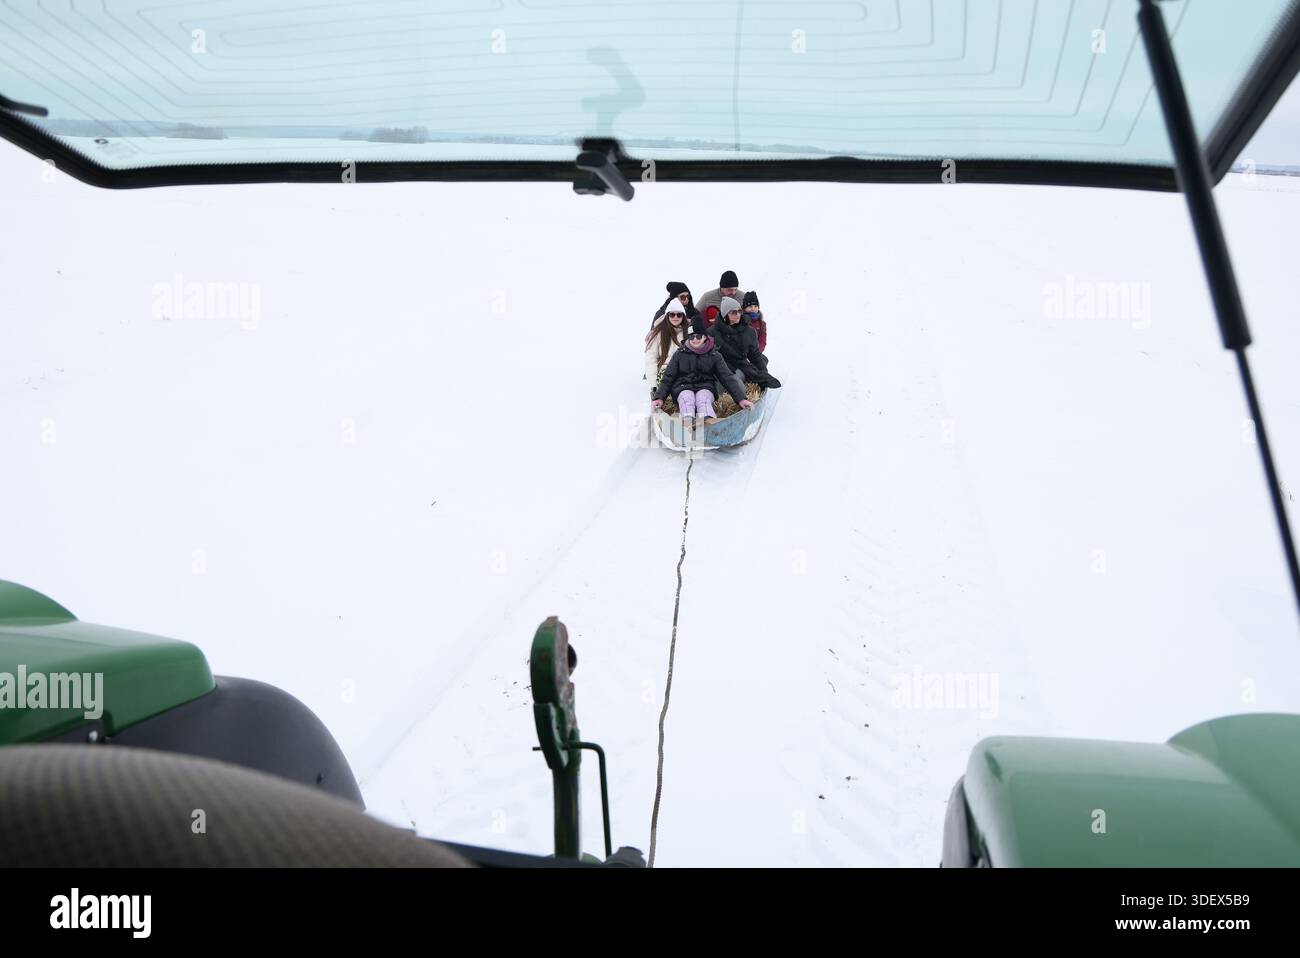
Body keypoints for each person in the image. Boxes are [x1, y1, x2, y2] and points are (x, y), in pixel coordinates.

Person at [652, 318, 753, 426]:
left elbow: (726, 377)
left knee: (703, 398)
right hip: (682, 386)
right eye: (691, 336)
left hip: (705, 387)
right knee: (687, 398)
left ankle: (707, 422)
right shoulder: (680, 354)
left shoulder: (714, 355)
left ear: (705, 336)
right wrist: (659, 397)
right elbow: (668, 377)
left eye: (698, 336)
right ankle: (686, 423)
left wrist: (741, 399)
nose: (695, 339)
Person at [710, 297, 781, 388]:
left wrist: (764, 374)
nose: (738, 315)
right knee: (734, 380)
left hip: (742, 363)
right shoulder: (712, 333)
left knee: (762, 360)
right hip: (723, 367)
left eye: (739, 311)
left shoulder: (749, 331)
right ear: (725, 315)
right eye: (733, 312)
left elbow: (755, 355)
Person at [644, 298, 687, 395]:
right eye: (672, 314)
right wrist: (653, 385)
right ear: (667, 315)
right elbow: (650, 360)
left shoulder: (689, 332)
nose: (675, 317)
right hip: (665, 372)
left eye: (679, 314)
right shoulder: (658, 334)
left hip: (684, 371)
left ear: (683, 316)